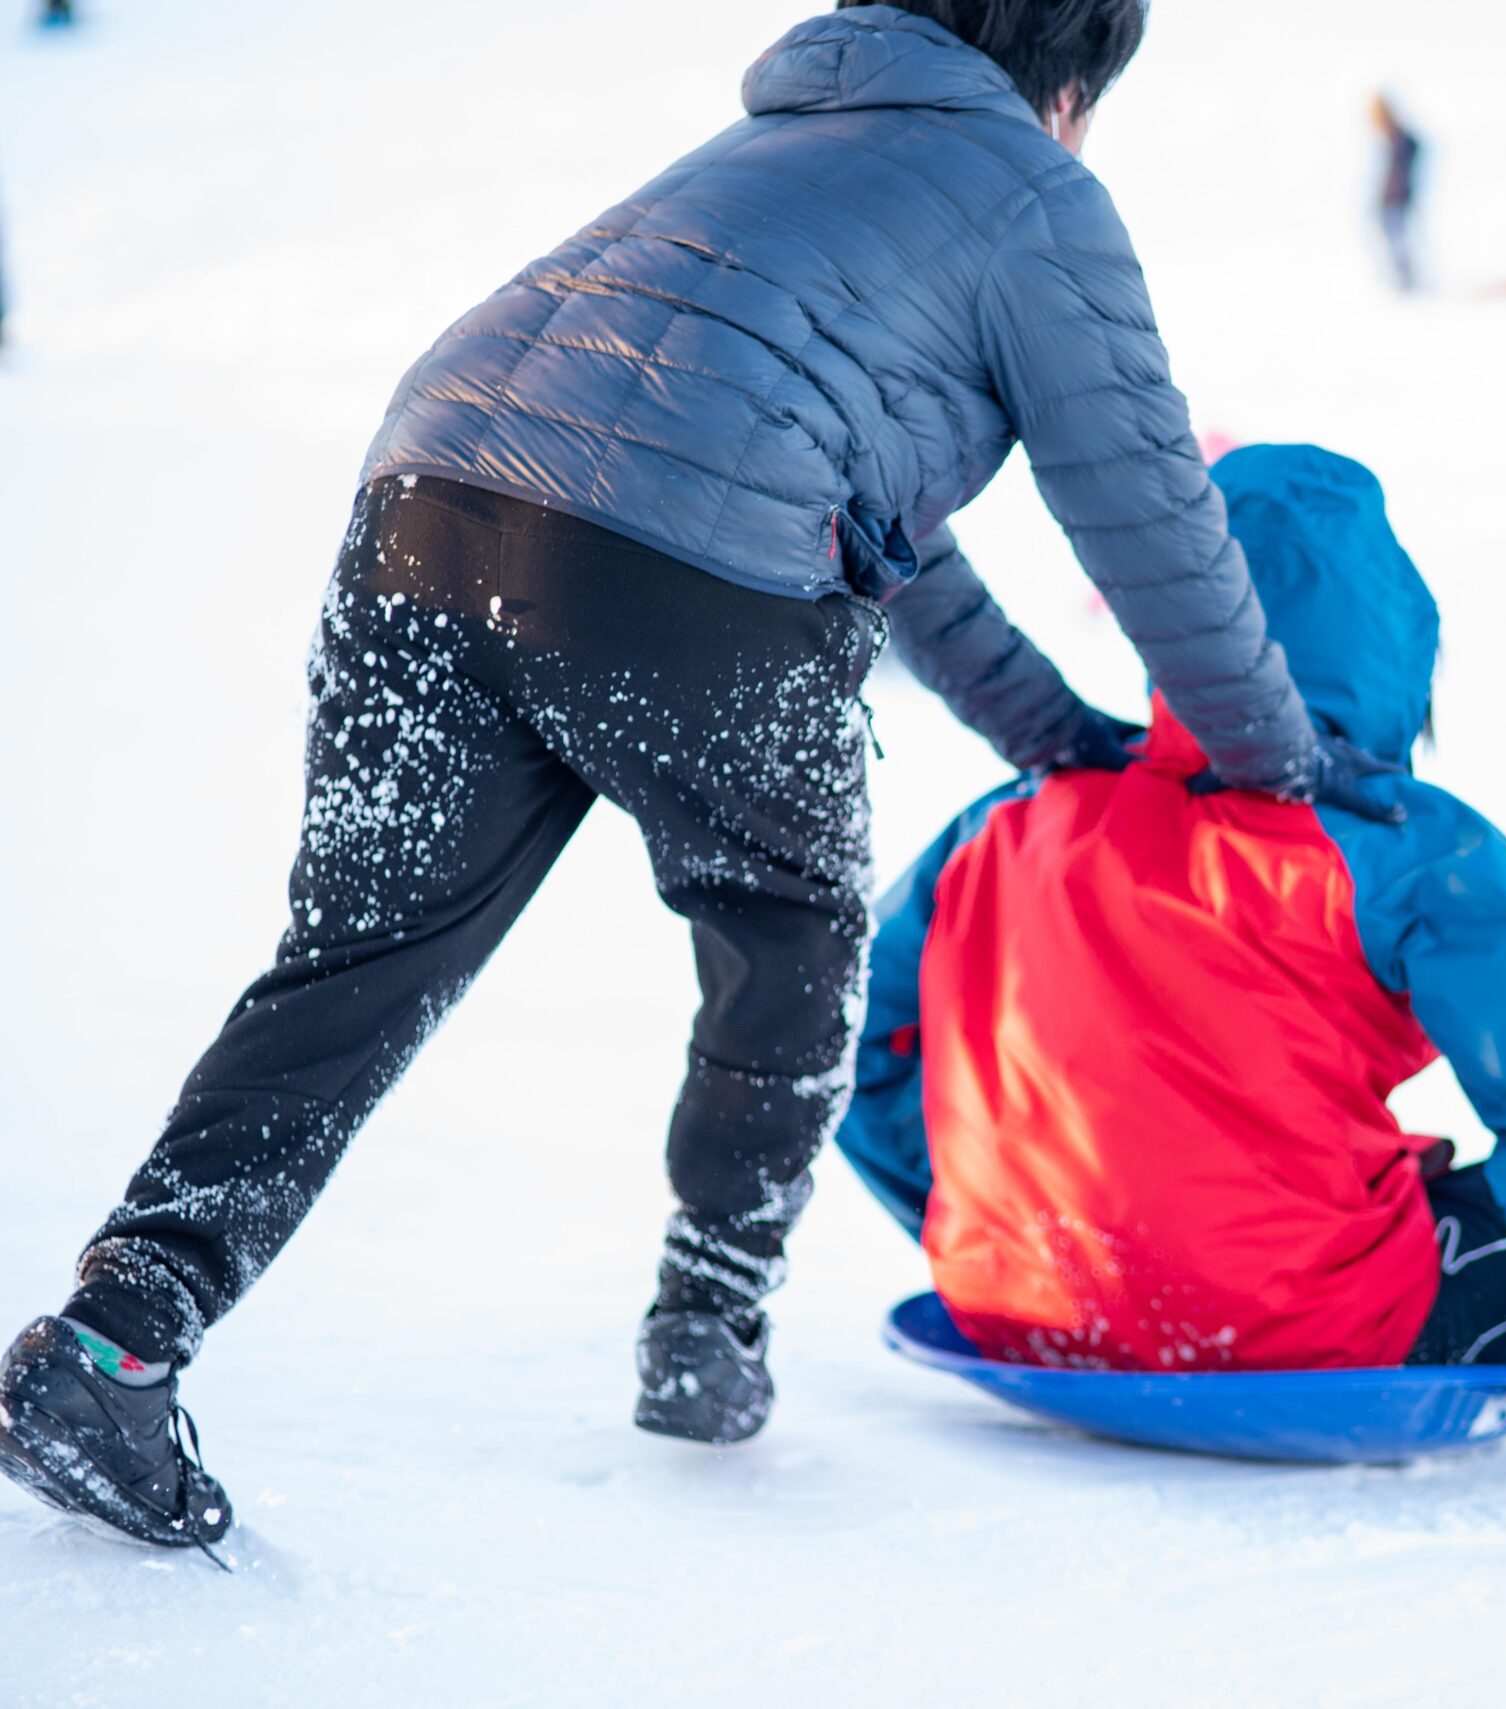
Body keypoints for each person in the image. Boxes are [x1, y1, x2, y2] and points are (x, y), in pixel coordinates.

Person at [0, 3, 1399, 1558]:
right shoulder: (1033, 196)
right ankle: (706, 1326)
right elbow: (1150, 517)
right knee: (790, 935)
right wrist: (1279, 765)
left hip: (428, 506)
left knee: (357, 962)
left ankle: (115, 1338)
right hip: (684, 577)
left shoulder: (771, 153)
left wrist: (1051, 734)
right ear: (1070, 81)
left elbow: (879, 528)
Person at [837, 445, 1506, 1434]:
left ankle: (1071, 1274)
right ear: (1392, 632)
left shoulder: (1009, 820)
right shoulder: (1413, 851)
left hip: (1026, 1312)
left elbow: (856, 1046)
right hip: (1313, 1334)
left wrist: (1009, 1230)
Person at [1370, 92, 1423, 294]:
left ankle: (1408, 285)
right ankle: (1403, 284)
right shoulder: (1389, 141)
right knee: (1393, 246)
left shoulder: (1400, 140)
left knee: (1402, 245)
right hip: (1390, 203)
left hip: (1397, 202)